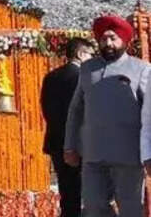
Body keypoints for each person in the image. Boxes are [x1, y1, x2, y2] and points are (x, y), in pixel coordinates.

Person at [64, 13, 151, 217]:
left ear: (124, 40)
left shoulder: (141, 69)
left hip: (129, 155)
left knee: (131, 210)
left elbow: (149, 114)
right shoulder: (87, 70)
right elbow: (76, 110)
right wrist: (70, 145)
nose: (108, 43)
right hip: (94, 154)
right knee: (93, 207)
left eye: (113, 38)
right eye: (104, 38)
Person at [40, 36, 93, 216]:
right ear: (80, 54)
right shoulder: (84, 77)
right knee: (86, 193)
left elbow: (46, 109)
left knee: (67, 193)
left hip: (56, 143)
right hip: (80, 144)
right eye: (90, 55)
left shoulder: (50, 77)